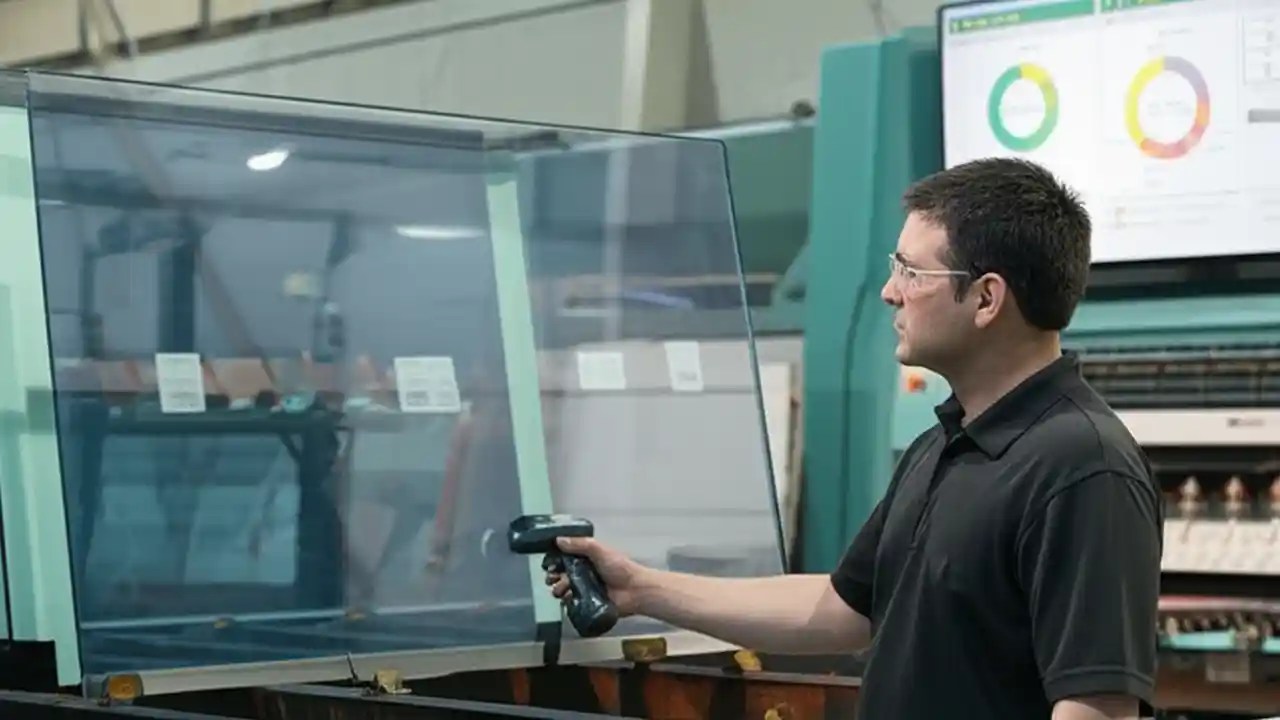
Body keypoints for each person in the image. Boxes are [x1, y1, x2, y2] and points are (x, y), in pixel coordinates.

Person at [546, 157, 1164, 719]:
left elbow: (1095, 708)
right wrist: (643, 588)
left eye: (911, 271)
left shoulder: (1083, 467)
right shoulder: (942, 445)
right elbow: (843, 610)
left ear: (985, 297)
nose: (890, 291)